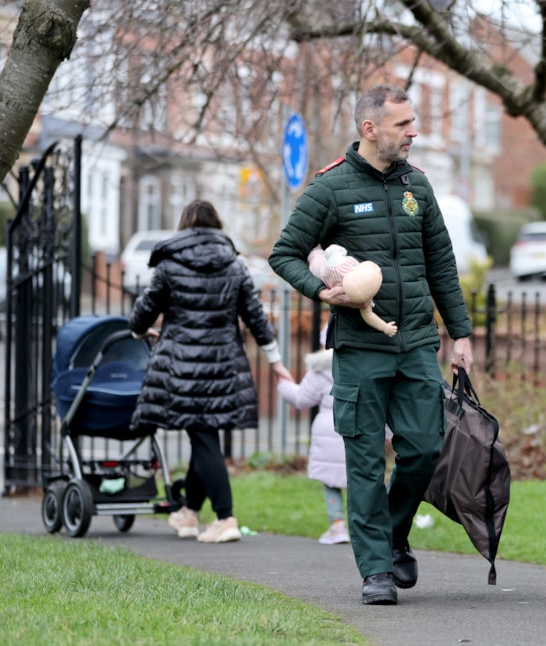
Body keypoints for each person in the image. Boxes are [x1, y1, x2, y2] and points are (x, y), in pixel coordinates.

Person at [269, 84, 475, 605]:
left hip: (416, 343)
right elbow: (285, 253)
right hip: (360, 349)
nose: (413, 132)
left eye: (412, 122)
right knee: (363, 459)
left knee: (424, 448)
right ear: (370, 129)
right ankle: (376, 571)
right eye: (403, 124)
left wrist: (462, 334)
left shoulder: (419, 188)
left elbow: (442, 264)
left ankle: (392, 533)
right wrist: (323, 290)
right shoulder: (329, 188)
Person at [129, 199, 294, 544]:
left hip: (182, 369)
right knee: (204, 436)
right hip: (222, 367)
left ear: (185, 227)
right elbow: (255, 317)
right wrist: (276, 361)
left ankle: (225, 517)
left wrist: (140, 330)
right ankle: (189, 513)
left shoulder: (169, 264)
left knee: (202, 437)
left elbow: (144, 313)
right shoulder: (234, 266)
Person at [277, 326, 350, 545]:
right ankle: (362, 526)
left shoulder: (321, 368)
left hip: (328, 427)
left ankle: (338, 526)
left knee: (331, 482)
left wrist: (284, 385)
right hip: (357, 425)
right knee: (360, 480)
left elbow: (302, 399)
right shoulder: (365, 363)